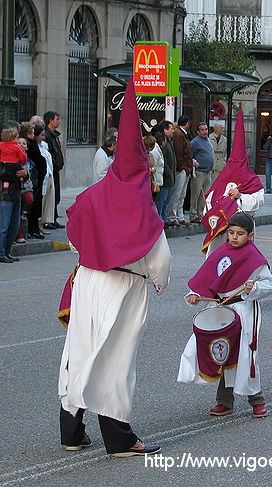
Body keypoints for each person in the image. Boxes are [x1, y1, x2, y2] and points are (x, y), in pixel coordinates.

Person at [57, 79, 171, 457]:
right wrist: (159, 281)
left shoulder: (92, 196)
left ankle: (71, 430)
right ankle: (120, 437)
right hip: (126, 286)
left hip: (89, 280)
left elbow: (74, 238)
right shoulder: (142, 205)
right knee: (115, 356)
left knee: (81, 347)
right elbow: (159, 258)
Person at [177, 212, 272, 418]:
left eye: (240, 234)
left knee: (245, 355)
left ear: (250, 235)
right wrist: (194, 295)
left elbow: (269, 285)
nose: (234, 237)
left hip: (243, 309)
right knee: (223, 352)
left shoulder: (255, 258)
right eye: (231, 232)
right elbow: (205, 279)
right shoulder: (220, 252)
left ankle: (257, 400)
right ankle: (225, 401)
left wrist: (252, 288)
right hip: (220, 308)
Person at [202, 109, 264, 256]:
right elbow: (209, 202)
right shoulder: (222, 178)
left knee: (241, 262)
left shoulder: (252, 180)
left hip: (243, 228)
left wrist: (240, 197)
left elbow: (259, 201)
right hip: (221, 231)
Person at [0, 126, 28, 263]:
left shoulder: (14, 151)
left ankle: (7, 251)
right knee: (4, 226)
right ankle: (1, 253)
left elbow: (24, 167)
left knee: (14, 226)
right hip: (5, 195)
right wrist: (17, 174)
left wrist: (24, 174)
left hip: (16, 193)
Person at [167, 115, 193, 226]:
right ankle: (173, 216)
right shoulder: (179, 134)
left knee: (182, 194)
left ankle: (179, 215)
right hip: (182, 168)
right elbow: (179, 152)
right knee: (177, 194)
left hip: (185, 167)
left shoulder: (181, 134)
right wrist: (182, 167)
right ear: (187, 123)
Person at [189, 122, 215, 223]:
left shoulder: (208, 140)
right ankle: (193, 214)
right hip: (199, 172)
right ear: (198, 131)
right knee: (195, 194)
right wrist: (194, 163)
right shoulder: (195, 142)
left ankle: (201, 214)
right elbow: (191, 155)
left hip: (208, 172)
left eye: (206, 129)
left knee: (203, 195)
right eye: (202, 130)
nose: (205, 131)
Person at [43, 111, 65, 229]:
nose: (58, 121)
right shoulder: (47, 135)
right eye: (57, 119)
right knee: (52, 195)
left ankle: (54, 218)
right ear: (50, 121)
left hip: (55, 169)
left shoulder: (54, 135)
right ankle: (49, 220)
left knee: (56, 195)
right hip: (51, 170)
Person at [25, 123, 47, 239]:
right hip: (33, 180)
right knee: (31, 207)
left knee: (36, 206)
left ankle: (34, 229)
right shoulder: (29, 145)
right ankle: (30, 229)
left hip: (38, 179)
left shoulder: (36, 145)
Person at [152, 121, 176, 225]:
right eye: (171, 129)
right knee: (161, 200)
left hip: (166, 177)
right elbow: (160, 164)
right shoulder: (159, 148)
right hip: (163, 178)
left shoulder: (169, 143)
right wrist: (169, 172)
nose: (173, 131)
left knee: (166, 199)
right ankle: (160, 219)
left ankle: (163, 217)